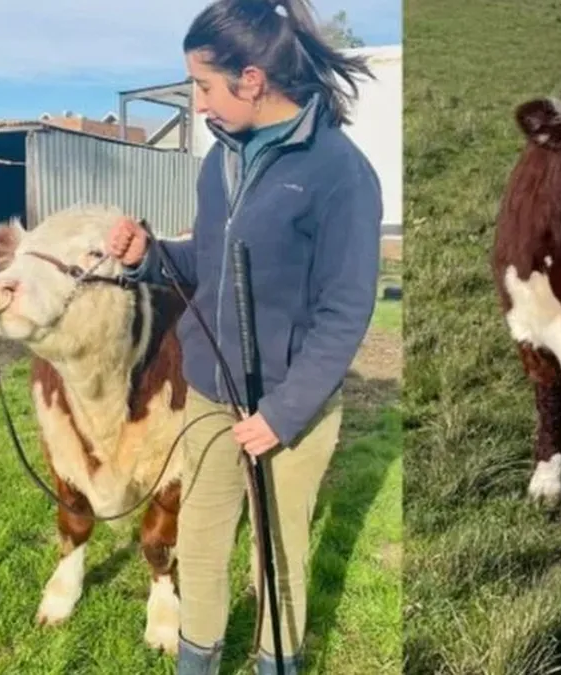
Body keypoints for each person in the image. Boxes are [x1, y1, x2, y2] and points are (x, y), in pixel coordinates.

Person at [106, 0, 383, 672]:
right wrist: (148, 255)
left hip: (290, 407)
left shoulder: (340, 173)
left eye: (204, 85)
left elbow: (345, 310)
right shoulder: (219, 164)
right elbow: (210, 258)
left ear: (253, 79)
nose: (199, 103)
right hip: (209, 390)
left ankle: (274, 661)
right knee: (199, 544)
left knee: (278, 557)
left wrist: (282, 413)